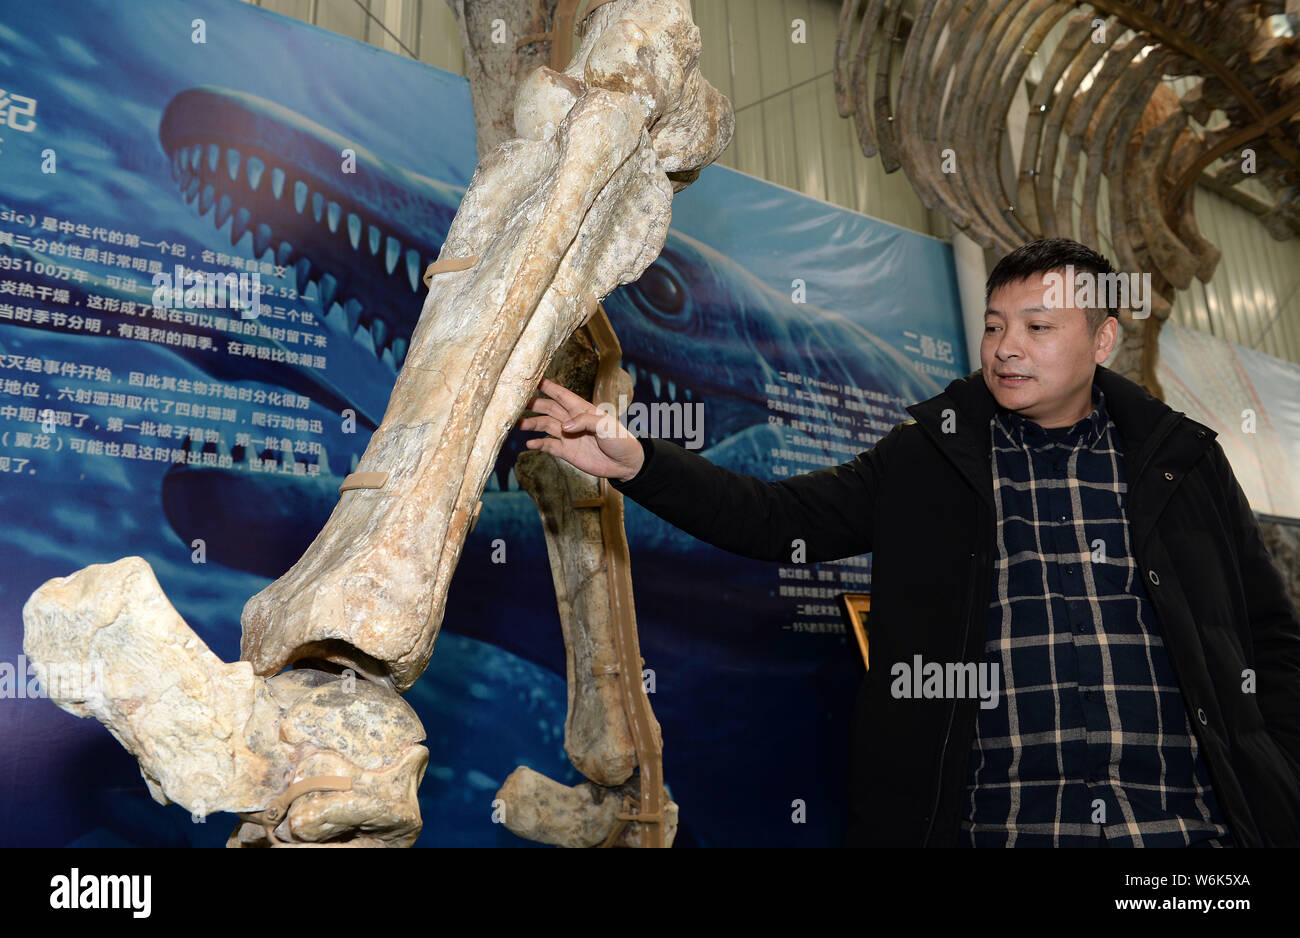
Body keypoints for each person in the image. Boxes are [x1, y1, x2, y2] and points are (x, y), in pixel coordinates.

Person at [516, 238, 1300, 847]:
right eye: (994, 326)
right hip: (999, 829)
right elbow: (775, 518)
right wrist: (642, 460)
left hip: (1185, 839)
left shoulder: (1185, 461)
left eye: (1037, 327)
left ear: (1102, 341)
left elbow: (1269, 638)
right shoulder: (929, 454)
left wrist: (1278, 782)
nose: (1006, 348)